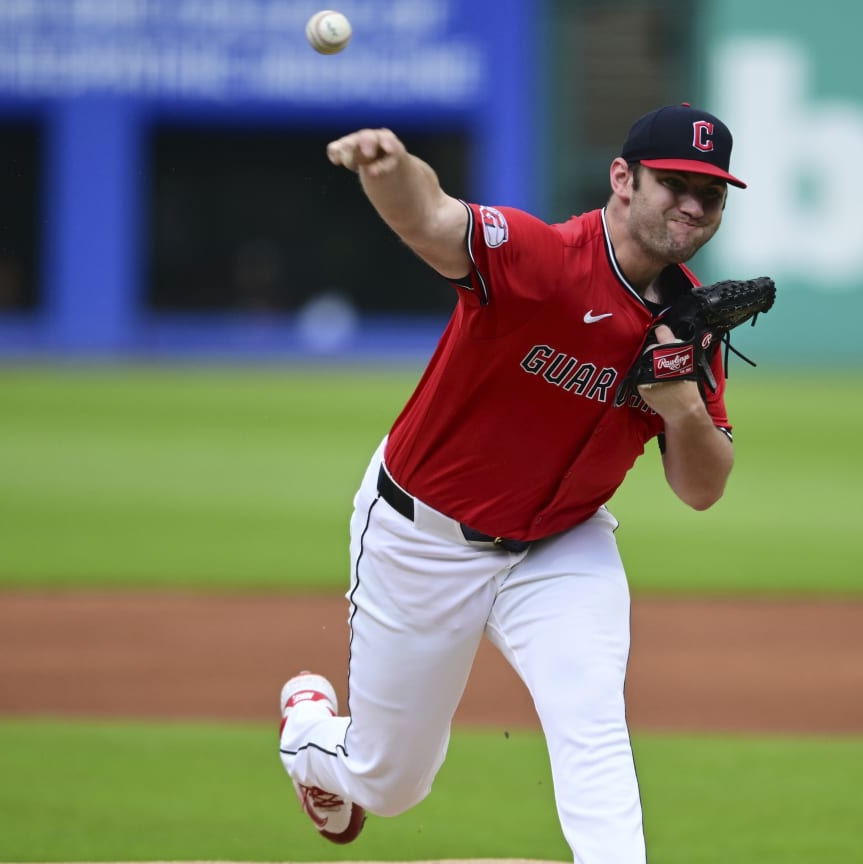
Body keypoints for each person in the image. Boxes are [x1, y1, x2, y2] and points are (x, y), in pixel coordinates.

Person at [276, 104, 748, 863]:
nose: (694, 205)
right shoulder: (542, 257)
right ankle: (307, 732)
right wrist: (389, 166)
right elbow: (431, 217)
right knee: (390, 782)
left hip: (563, 544)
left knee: (590, 719)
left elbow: (702, 488)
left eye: (712, 193)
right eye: (676, 183)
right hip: (422, 535)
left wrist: (684, 407)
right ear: (623, 180)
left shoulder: (688, 328)